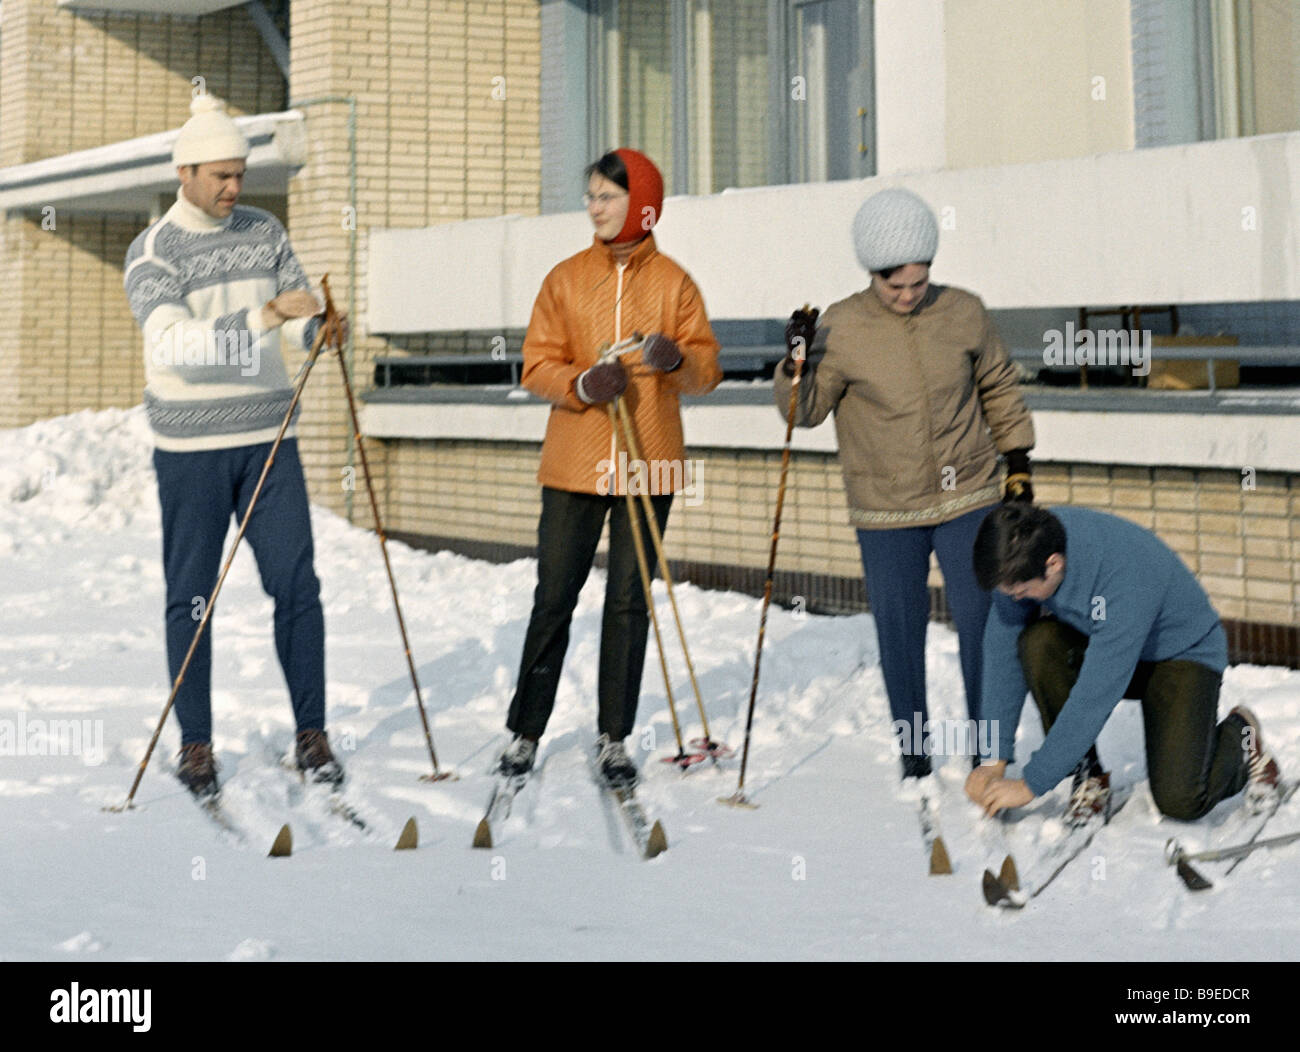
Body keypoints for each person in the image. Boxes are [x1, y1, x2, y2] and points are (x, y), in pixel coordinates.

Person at [775, 187, 1035, 783]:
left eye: (919, 282)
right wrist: (796, 363)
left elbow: (998, 385)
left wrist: (1017, 462)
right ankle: (915, 753)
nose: (908, 295)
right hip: (885, 507)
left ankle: (988, 753)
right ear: (872, 274)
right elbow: (804, 412)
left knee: (985, 623)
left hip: (967, 494)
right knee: (899, 630)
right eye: (895, 285)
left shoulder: (964, 312)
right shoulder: (841, 326)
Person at [124, 95, 344, 797]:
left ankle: (311, 732)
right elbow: (174, 345)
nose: (232, 188)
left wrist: (316, 330)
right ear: (184, 171)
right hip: (190, 448)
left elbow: (295, 312)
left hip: (268, 438)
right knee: (192, 596)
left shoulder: (266, 230)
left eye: (240, 175)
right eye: (219, 175)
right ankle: (195, 745)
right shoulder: (154, 251)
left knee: (297, 584)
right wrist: (266, 314)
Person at [498, 148, 722, 787]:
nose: (594, 208)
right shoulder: (565, 278)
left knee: (628, 601)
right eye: (591, 196)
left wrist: (676, 359)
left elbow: (707, 372)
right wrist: (582, 384)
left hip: (649, 460)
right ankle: (525, 731)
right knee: (554, 596)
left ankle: (615, 737)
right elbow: (536, 365)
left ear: (641, 203)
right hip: (575, 462)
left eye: (607, 197)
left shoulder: (675, 283)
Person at [965, 503, 1282, 823]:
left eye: (1021, 592)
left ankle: (1241, 736)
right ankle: (1088, 776)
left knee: (1182, 799)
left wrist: (1031, 784)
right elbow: (1001, 650)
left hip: (1181, 657)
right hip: (1110, 647)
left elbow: (1094, 694)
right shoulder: (1024, 550)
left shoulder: (1121, 573)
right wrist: (993, 757)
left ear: (1053, 564)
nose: (1016, 598)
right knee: (1039, 644)